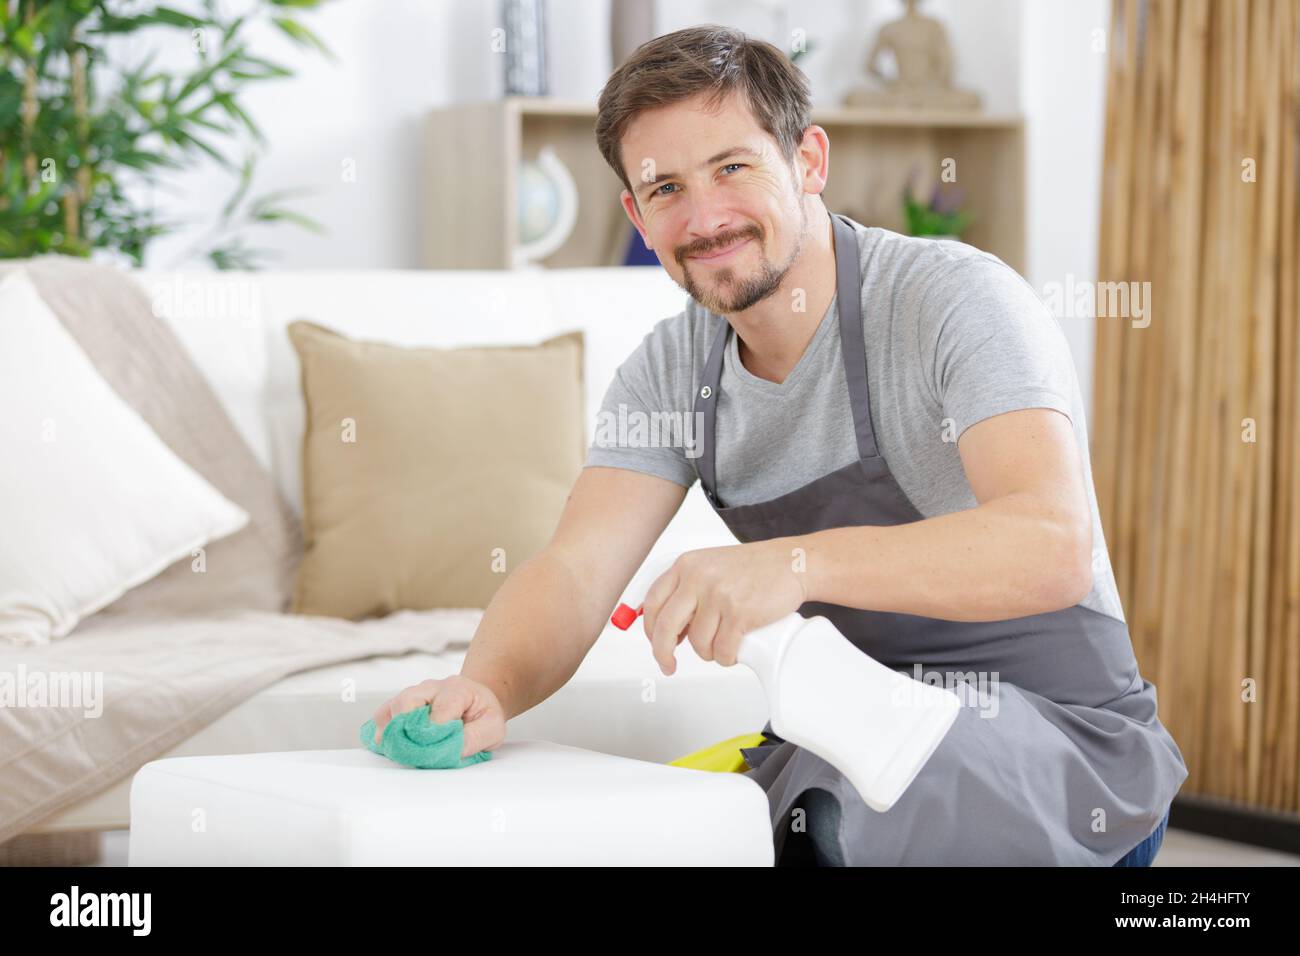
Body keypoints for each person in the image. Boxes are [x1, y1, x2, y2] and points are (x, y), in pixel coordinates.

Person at [371, 24, 1187, 865]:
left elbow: (1049, 545)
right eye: (666, 189)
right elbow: (575, 569)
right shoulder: (668, 373)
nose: (706, 217)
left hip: (1063, 760)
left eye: (732, 167)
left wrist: (791, 565)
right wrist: (488, 685)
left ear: (808, 161)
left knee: (843, 816)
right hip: (851, 744)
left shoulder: (953, 302)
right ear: (636, 216)